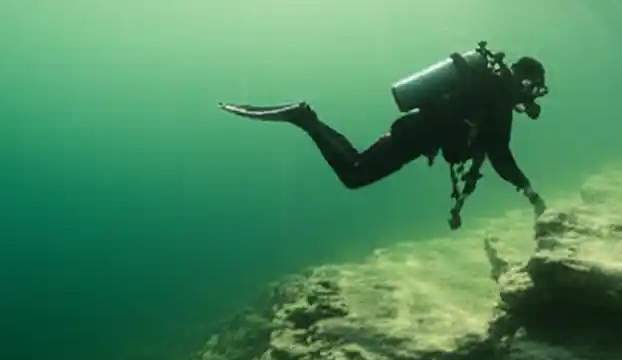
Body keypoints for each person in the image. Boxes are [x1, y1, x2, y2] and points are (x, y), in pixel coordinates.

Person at [218, 43, 548, 230]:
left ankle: (308, 120)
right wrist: (530, 192)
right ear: (523, 80)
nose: (529, 96)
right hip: (414, 137)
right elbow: (500, 157)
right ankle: (306, 119)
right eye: (531, 88)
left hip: (414, 131)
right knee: (355, 174)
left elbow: (486, 151)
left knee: (356, 169)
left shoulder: (488, 89)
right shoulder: (497, 99)